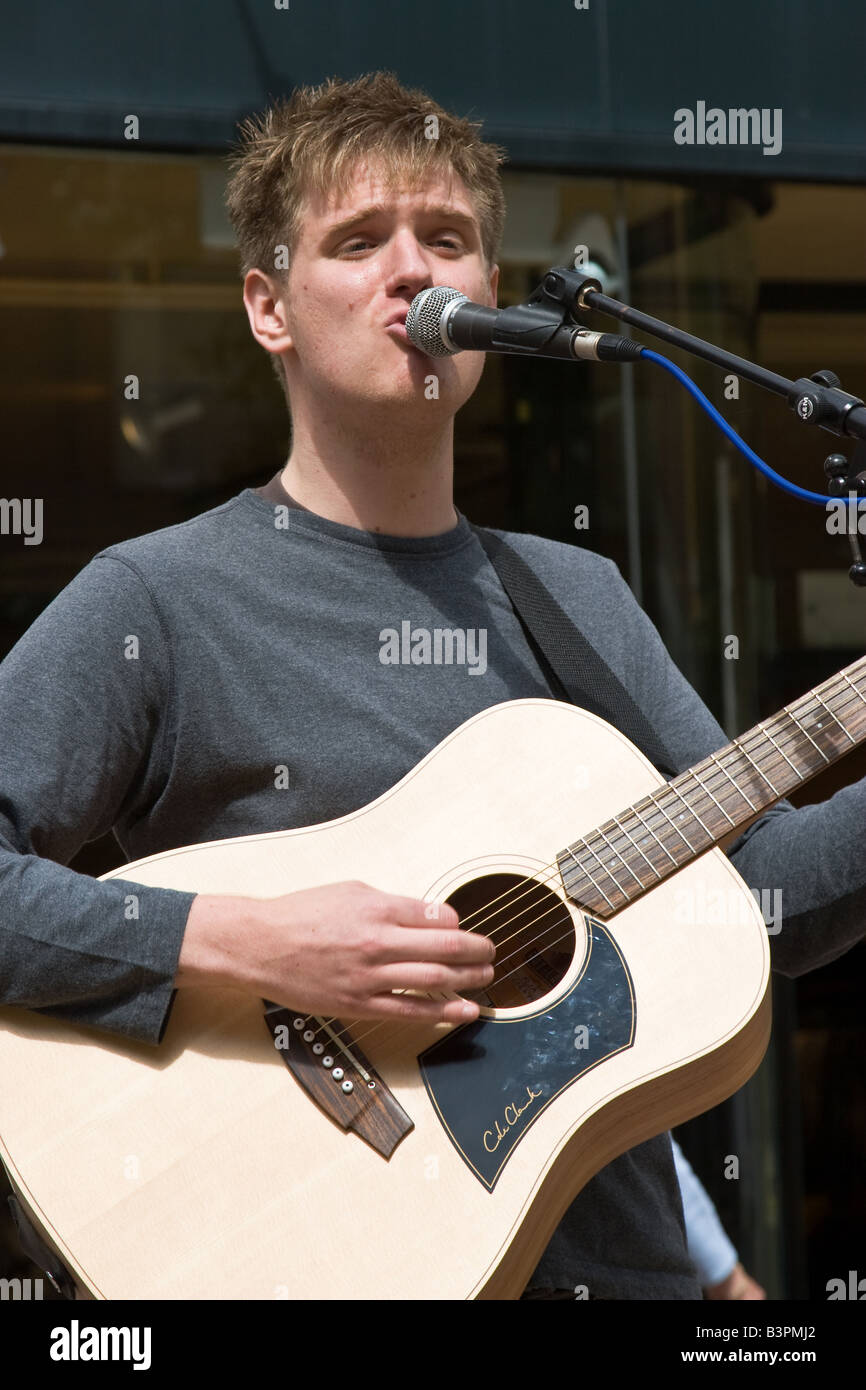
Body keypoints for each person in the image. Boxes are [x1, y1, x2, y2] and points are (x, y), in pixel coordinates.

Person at [2, 71, 865, 1301]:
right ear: (269, 307)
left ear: (493, 298)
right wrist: (255, 944)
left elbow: (765, 899)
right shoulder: (156, 600)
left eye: (446, 240)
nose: (413, 273)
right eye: (358, 242)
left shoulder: (578, 596)